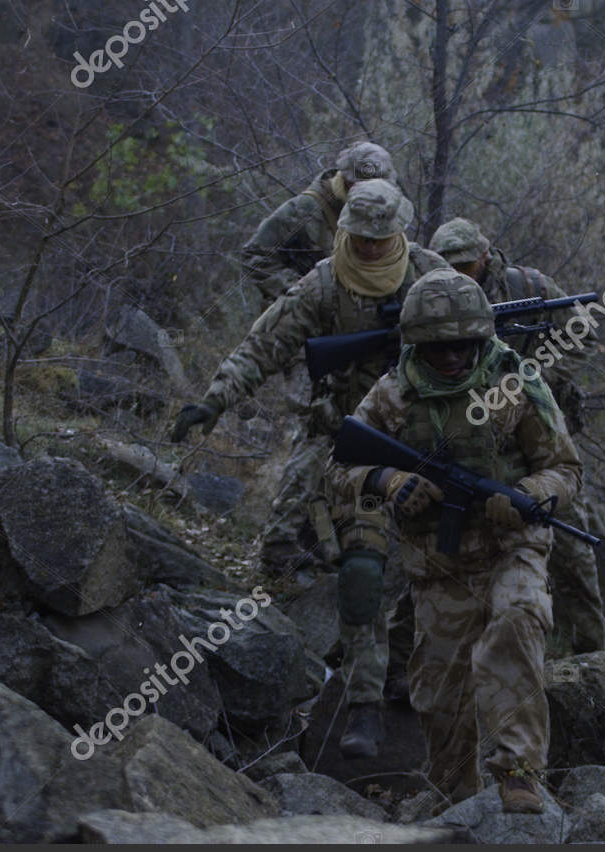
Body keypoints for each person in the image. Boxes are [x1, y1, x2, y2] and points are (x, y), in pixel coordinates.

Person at [169, 178, 449, 759]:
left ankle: (413, 677)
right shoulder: (323, 284)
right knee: (362, 570)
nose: (368, 248)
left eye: (379, 239)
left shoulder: (432, 277)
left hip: (432, 442)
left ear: (398, 231)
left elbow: (484, 347)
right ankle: (364, 705)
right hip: (354, 446)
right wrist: (214, 401)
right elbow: (263, 345)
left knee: (444, 568)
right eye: (360, 238)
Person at [331, 268, 582, 813]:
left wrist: (526, 494)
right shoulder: (392, 394)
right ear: (416, 344)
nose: (450, 357)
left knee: (517, 619)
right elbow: (339, 469)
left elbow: (565, 470)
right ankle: (454, 795)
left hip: (512, 545)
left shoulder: (515, 384)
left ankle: (519, 772)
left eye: (462, 345)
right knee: (440, 696)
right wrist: (387, 481)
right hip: (438, 564)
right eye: (437, 347)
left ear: (480, 338)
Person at [428, 217, 605, 652]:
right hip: (462, 438)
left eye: (466, 265)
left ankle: (591, 655)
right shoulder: (428, 295)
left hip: (536, 439)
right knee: (438, 551)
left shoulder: (527, 287)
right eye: (449, 266)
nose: (458, 274)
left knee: (570, 544)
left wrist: (532, 382)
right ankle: (423, 661)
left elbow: (582, 336)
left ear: (485, 256)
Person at [239, 142, 398, 314]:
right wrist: (301, 291)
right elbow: (254, 255)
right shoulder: (304, 210)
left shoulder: (380, 209)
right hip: (308, 318)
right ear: (348, 182)